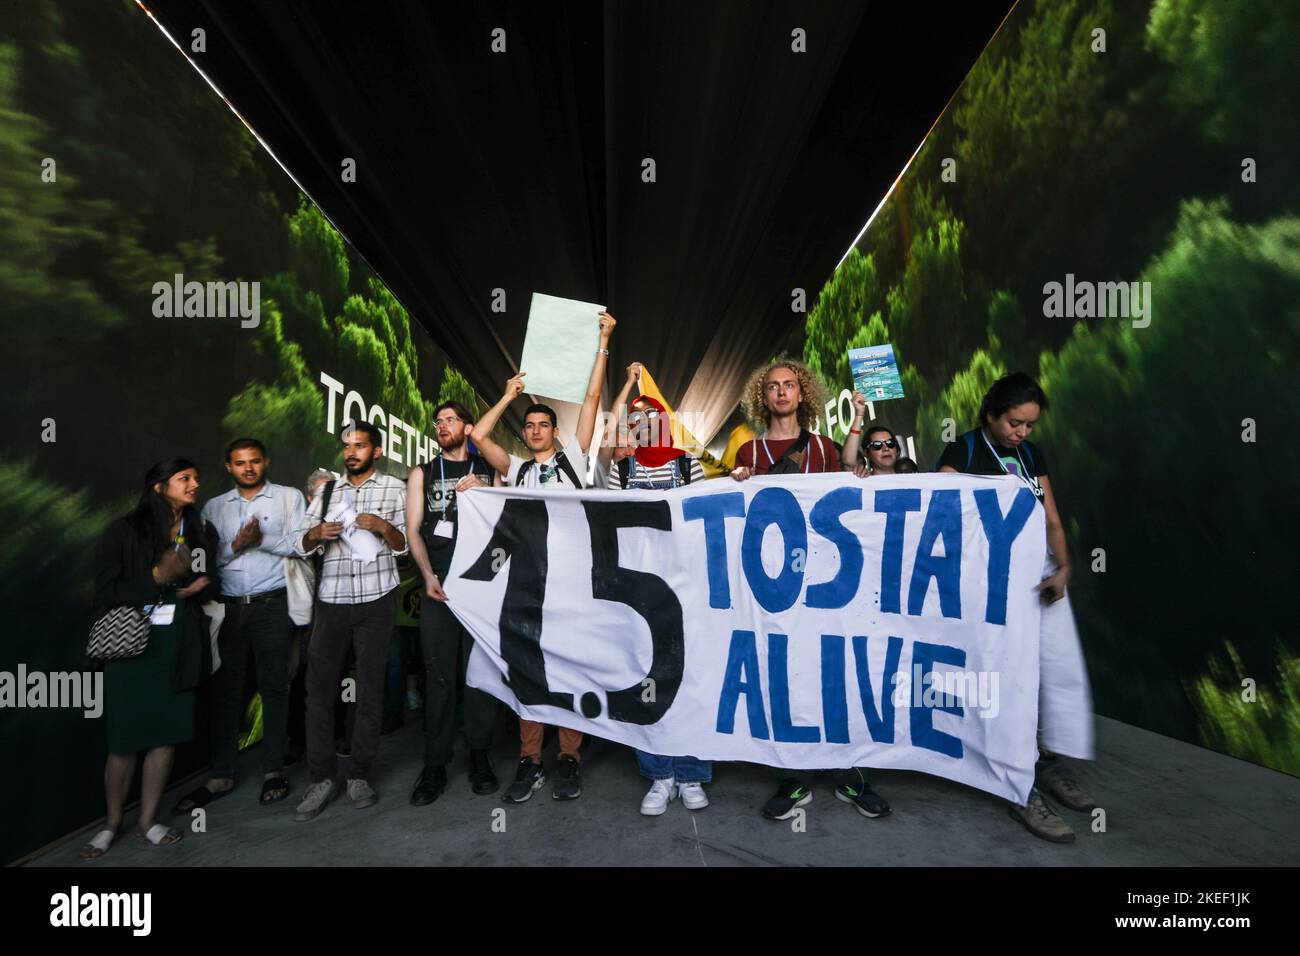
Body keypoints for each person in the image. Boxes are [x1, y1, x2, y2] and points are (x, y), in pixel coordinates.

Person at [936, 371, 1096, 843]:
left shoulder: (1030, 455)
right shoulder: (962, 451)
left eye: (1029, 425)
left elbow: (1051, 518)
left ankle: (1043, 761)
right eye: (1014, 423)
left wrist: (1063, 568)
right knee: (1006, 680)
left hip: (1039, 578)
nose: (1022, 432)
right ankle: (1017, 785)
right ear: (991, 414)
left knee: (1052, 671)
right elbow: (938, 514)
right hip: (991, 586)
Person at [731, 358, 891, 822]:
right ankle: (794, 775)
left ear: (802, 393)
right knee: (785, 674)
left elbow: (849, 477)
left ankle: (848, 772)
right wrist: (738, 484)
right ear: (763, 397)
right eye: (773, 386)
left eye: (789, 385)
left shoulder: (822, 447)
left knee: (836, 671)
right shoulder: (749, 452)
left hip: (828, 582)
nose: (781, 392)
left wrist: (858, 468)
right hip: (776, 585)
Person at [469, 310, 616, 802]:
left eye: (542, 424)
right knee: (529, 672)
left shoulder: (572, 459)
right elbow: (478, 438)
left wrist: (603, 341)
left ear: (555, 431)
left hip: (572, 586)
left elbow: (591, 400)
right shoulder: (516, 470)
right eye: (529, 425)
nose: (534, 430)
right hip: (528, 587)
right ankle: (530, 760)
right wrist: (508, 396)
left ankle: (569, 757)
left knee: (570, 670)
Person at [81, 459, 219, 859]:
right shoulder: (123, 530)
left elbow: (210, 582)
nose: (194, 484)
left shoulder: (199, 530)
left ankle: (148, 821)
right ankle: (111, 824)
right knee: (124, 741)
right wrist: (157, 579)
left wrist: (197, 587)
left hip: (178, 643)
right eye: (184, 478)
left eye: (196, 478)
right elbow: (105, 592)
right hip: (129, 645)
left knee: (165, 735)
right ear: (159, 487)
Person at [172, 439, 305, 813]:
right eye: (240, 462)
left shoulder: (289, 497)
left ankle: (273, 770)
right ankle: (221, 774)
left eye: (254, 461)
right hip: (228, 609)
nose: (248, 468)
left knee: (274, 687)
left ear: (266, 462)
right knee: (225, 692)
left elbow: (302, 545)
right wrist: (238, 544)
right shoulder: (214, 507)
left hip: (273, 604)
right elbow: (207, 560)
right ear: (228, 467)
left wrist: (262, 540)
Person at [292, 421, 408, 821]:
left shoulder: (394, 488)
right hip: (331, 602)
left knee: (369, 690)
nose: (351, 452)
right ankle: (321, 778)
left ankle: (359, 774)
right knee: (319, 693)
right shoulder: (327, 492)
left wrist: (384, 527)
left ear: (376, 451)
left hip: (377, 600)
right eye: (347, 446)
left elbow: (405, 547)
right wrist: (316, 534)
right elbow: (298, 543)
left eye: (360, 445)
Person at [608, 362, 710, 815]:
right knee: (644, 676)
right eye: (635, 419)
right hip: (639, 588)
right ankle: (658, 774)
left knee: (690, 678)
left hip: (687, 585)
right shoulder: (622, 469)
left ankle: (691, 774)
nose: (643, 424)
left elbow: (704, 523)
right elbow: (611, 521)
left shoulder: (690, 465)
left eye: (650, 417)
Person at [406, 400, 502, 805]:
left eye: (450, 420)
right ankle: (435, 763)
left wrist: (487, 492)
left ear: (467, 427)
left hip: (479, 587)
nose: (442, 426)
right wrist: (427, 576)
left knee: (479, 674)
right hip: (439, 586)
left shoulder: (487, 469)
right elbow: (413, 530)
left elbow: (505, 523)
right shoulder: (423, 472)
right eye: (438, 422)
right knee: (439, 676)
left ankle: (480, 755)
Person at [286, 468, 336, 764]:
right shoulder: (299, 529)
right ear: (309, 498)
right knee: (300, 677)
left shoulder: (346, 526)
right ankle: (297, 739)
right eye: (321, 493)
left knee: (338, 676)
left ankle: (337, 734)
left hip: (336, 613)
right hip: (305, 618)